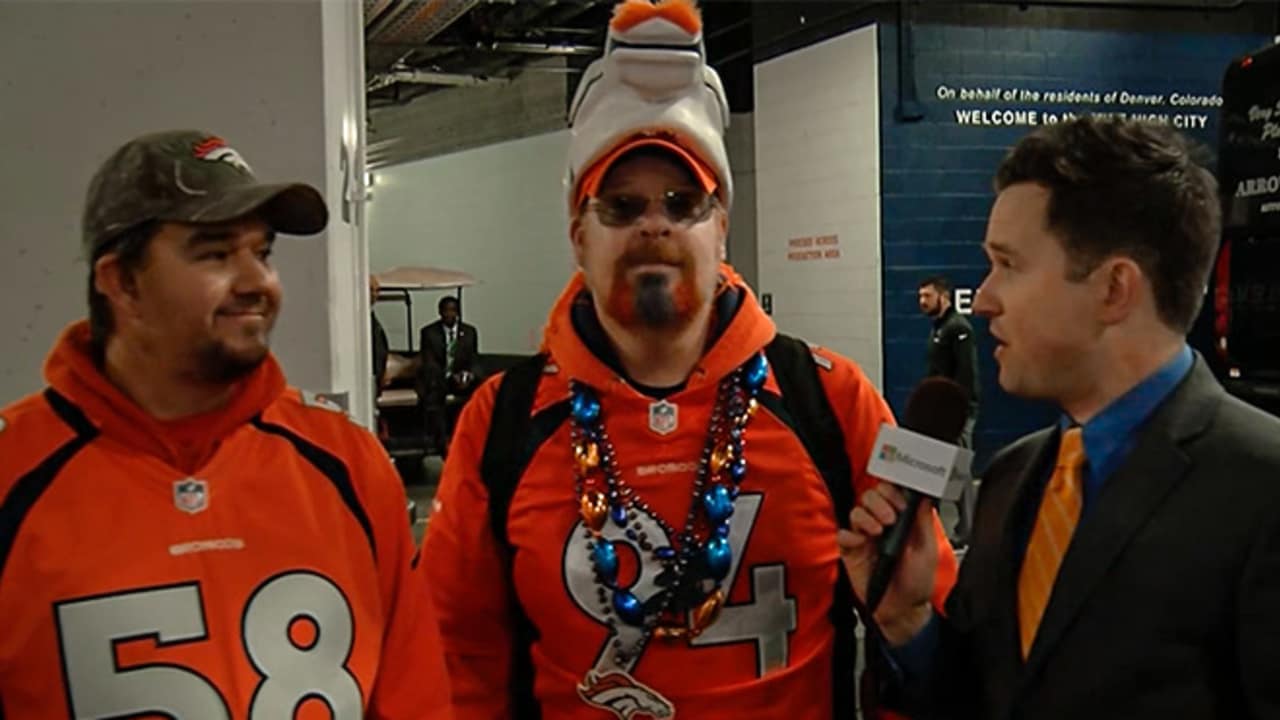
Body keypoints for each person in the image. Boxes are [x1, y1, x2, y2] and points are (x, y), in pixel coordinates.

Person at [421, 1, 957, 718]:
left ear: (722, 228)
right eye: (619, 205)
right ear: (579, 235)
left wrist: (909, 627)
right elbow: (458, 659)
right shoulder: (503, 421)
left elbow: (938, 637)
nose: (654, 223)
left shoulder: (832, 400)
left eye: (683, 201)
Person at [0, 129, 451, 719]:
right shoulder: (17, 475)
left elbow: (415, 699)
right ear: (121, 282)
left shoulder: (345, 460)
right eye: (214, 253)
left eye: (261, 253)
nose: (256, 281)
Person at [840, 117, 1280, 719]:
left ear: (1113, 289)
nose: (986, 297)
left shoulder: (1262, 489)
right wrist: (907, 621)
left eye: (1008, 264)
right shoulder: (1011, 478)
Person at [917, 274, 979, 546]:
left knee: (960, 471)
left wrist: (959, 412)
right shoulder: (938, 328)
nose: (922, 301)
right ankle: (948, 528)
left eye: (927, 296)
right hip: (940, 409)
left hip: (958, 410)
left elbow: (966, 373)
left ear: (943, 297)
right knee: (943, 468)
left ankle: (969, 531)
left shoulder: (958, 328)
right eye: (920, 296)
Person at [418, 295, 478, 451]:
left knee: (478, 390)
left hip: (461, 377)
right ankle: (442, 442)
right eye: (446, 311)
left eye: (452, 311)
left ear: (457, 312)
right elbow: (429, 361)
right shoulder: (429, 332)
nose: (449, 314)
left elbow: (473, 359)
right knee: (435, 396)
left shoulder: (469, 332)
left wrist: (467, 375)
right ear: (440, 312)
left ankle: (471, 437)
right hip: (439, 378)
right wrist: (449, 376)